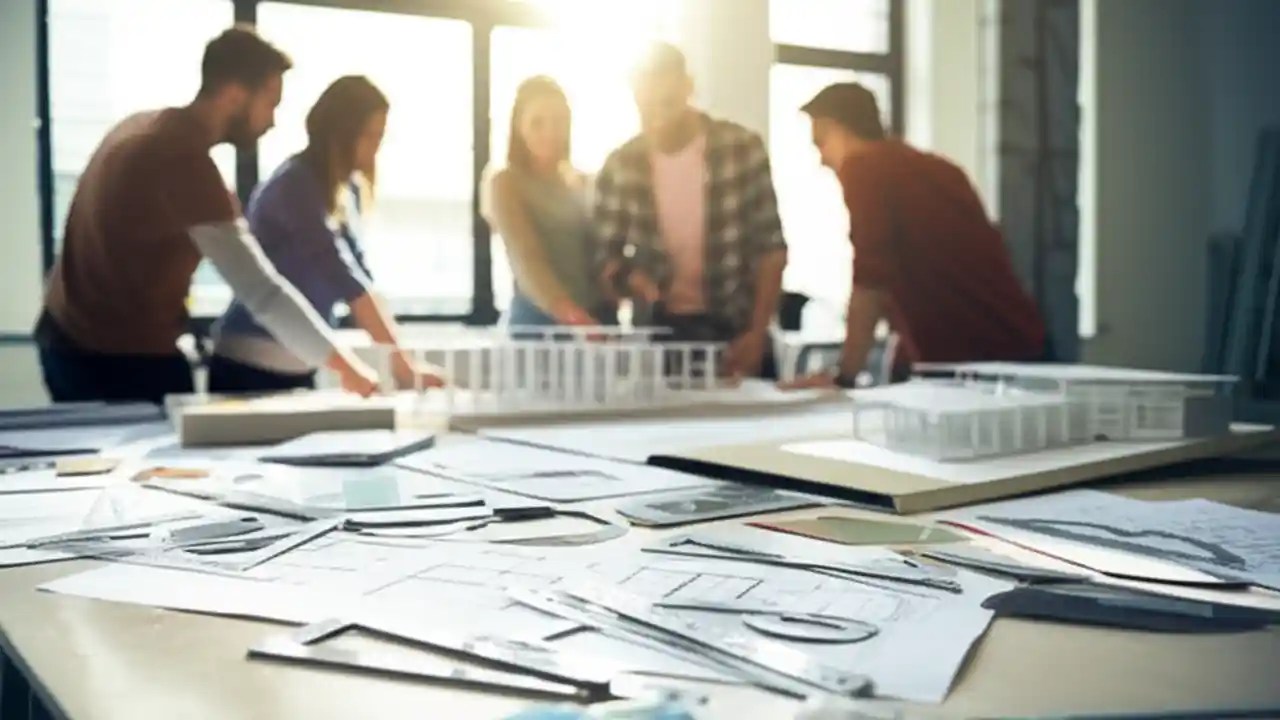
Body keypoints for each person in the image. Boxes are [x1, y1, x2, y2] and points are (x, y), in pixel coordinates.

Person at [35, 26, 379, 404]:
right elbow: (261, 290)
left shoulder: (140, 126)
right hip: (110, 358)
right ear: (234, 96)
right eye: (271, 104)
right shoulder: (184, 163)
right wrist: (347, 368)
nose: (273, 121)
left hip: (65, 339)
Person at [785, 83, 1047, 389]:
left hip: (980, 368)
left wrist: (843, 377)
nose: (822, 160)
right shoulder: (939, 169)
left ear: (841, 129)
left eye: (821, 143)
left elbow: (871, 279)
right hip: (1021, 347)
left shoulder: (865, 168)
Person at [209, 76, 445, 393]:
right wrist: (401, 367)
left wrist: (402, 361)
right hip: (250, 364)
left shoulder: (343, 193)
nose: (377, 148)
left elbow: (362, 279)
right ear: (342, 134)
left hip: (298, 366)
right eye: (371, 136)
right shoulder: (295, 185)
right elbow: (342, 276)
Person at [594, 43, 788, 378]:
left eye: (667, 104)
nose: (657, 119)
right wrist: (632, 280)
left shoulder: (742, 149)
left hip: (738, 330)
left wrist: (757, 332)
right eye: (645, 106)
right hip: (659, 338)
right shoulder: (620, 166)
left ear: (688, 88)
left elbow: (771, 249)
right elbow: (606, 261)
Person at [482, 76, 611, 330]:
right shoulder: (506, 182)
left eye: (559, 121)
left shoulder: (586, 182)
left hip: (595, 319)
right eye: (537, 123)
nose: (550, 132)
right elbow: (526, 260)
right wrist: (574, 318)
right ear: (519, 126)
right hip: (539, 325)